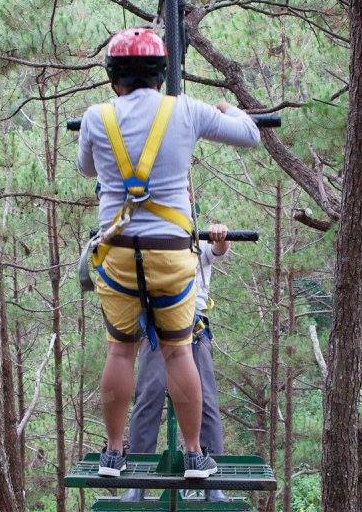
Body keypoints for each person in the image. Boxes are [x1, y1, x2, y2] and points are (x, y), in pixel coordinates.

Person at [77, 27, 259, 479]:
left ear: (114, 77)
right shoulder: (186, 111)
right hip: (172, 256)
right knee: (179, 353)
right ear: (161, 75)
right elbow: (250, 135)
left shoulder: (97, 117)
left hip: (117, 253)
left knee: (121, 352)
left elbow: (86, 168)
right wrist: (229, 110)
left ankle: (113, 453)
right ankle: (195, 455)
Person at [126, 223, 231, 501]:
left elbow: (217, 249)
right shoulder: (152, 235)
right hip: (157, 328)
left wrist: (220, 236)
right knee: (148, 395)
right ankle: (137, 479)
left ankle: (212, 482)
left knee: (204, 399)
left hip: (193, 327)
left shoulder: (195, 240)